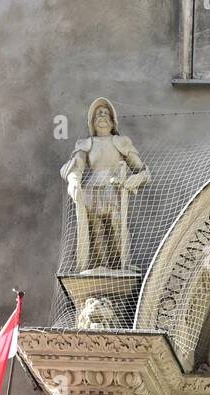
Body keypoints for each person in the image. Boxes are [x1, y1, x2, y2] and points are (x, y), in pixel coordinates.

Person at [60, 98, 151, 273]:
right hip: (92, 188)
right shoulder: (86, 144)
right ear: (92, 121)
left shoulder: (120, 141)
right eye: (98, 114)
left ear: (112, 119)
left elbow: (141, 169)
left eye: (105, 113)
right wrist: (73, 181)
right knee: (96, 229)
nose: (102, 116)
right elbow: (76, 168)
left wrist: (138, 178)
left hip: (113, 187)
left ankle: (121, 264)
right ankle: (100, 266)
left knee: (117, 224)